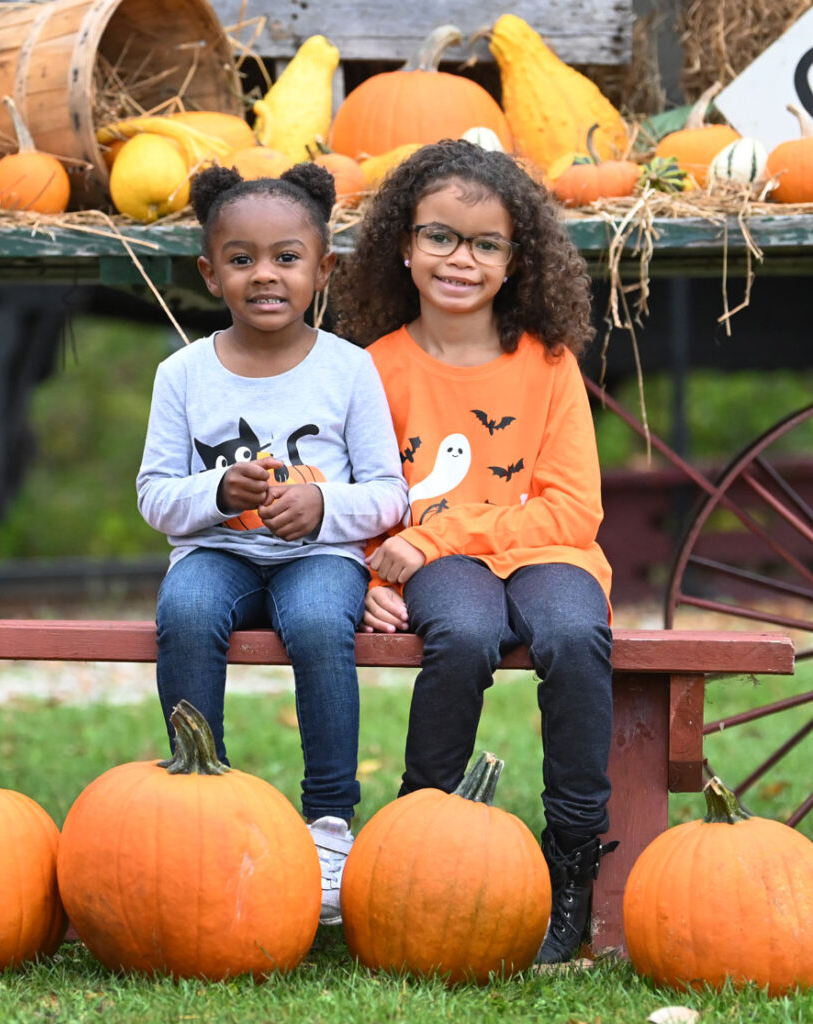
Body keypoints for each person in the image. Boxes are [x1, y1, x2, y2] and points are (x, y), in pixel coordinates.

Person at [330, 139, 616, 964]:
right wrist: (362, 573)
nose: (462, 259)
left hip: (543, 551)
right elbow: (351, 498)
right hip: (437, 569)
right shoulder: (372, 369)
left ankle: (573, 857)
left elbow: (571, 509)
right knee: (460, 635)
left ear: (516, 258)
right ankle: (421, 834)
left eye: (486, 243)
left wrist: (435, 534)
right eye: (441, 237)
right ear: (404, 246)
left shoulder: (548, 365)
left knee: (572, 636)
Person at [136, 162, 408, 926]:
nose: (265, 275)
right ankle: (202, 802)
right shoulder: (182, 374)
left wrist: (322, 505)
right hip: (216, 554)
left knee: (323, 624)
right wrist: (217, 495)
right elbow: (155, 495)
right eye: (241, 259)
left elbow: (391, 492)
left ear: (323, 269)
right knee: (187, 613)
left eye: (287, 258)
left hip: (316, 557)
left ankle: (327, 827)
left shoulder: (350, 370)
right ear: (209, 272)